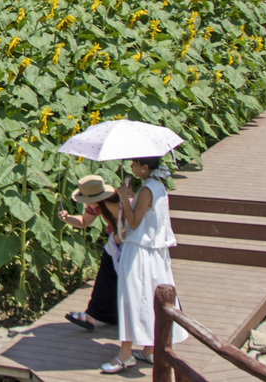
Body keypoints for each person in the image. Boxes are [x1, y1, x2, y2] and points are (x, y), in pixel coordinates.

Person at [102, 156, 187, 374]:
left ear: (145, 167)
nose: (131, 167)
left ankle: (126, 353)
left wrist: (123, 197)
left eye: (134, 164)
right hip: (155, 252)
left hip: (140, 250)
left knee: (130, 297)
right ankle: (149, 348)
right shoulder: (157, 186)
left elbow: (134, 221)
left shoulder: (147, 190)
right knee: (149, 297)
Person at [58, 175, 123, 330]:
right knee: (108, 276)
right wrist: (67, 218)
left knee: (109, 276)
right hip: (117, 241)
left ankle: (95, 316)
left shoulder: (119, 204)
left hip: (131, 242)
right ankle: (102, 315)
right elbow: (84, 221)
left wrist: (117, 238)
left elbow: (129, 227)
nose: (84, 203)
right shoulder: (97, 206)